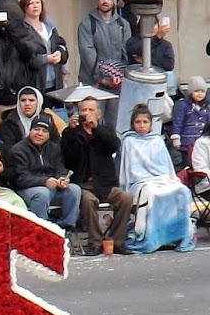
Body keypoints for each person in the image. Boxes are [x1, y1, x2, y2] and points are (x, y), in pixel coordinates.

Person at [115, 104, 195, 254]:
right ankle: (152, 236)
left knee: (183, 191)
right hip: (140, 181)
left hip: (161, 179)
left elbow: (166, 166)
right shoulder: (129, 141)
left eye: (145, 122)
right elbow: (128, 169)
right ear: (132, 124)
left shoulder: (157, 140)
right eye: (138, 122)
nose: (142, 126)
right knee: (150, 193)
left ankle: (178, 234)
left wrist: (168, 179)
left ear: (151, 124)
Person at [62, 97, 134, 255]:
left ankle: (117, 241)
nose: (87, 113)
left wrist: (96, 129)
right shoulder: (72, 133)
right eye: (84, 110)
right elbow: (68, 159)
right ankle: (95, 243)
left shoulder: (105, 131)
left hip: (105, 184)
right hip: (83, 184)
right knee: (88, 201)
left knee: (126, 198)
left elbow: (114, 145)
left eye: (91, 110)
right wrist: (71, 131)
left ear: (99, 113)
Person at [7, 118, 81, 233]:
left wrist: (61, 179)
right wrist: (44, 181)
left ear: (49, 135)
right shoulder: (18, 150)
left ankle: (66, 228)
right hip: (27, 189)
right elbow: (20, 178)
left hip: (52, 187)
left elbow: (60, 168)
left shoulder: (54, 148)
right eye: (36, 129)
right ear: (30, 131)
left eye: (44, 131)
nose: (40, 133)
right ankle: (42, 230)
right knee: (42, 193)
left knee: (74, 189)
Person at [19, 0, 69, 100]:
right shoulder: (22, 29)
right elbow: (26, 56)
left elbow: (60, 43)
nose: (35, 6)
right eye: (31, 3)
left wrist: (60, 53)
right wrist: (46, 59)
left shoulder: (49, 25)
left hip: (55, 82)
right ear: (24, 7)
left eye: (38, 2)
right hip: (35, 83)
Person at [77, 0, 130, 87]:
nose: (105, 1)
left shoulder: (123, 24)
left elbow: (127, 52)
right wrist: (101, 79)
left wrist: (120, 76)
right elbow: (87, 51)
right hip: (92, 81)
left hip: (118, 81)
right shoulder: (87, 23)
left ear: (114, 1)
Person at [171, 76, 210, 161]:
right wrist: (176, 137)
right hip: (187, 141)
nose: (200, 94)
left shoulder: (207, 107)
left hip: (202, 141)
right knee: (188, 162)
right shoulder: (183, 105)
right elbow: (178, 121)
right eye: (196, 91)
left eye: (202, 91)